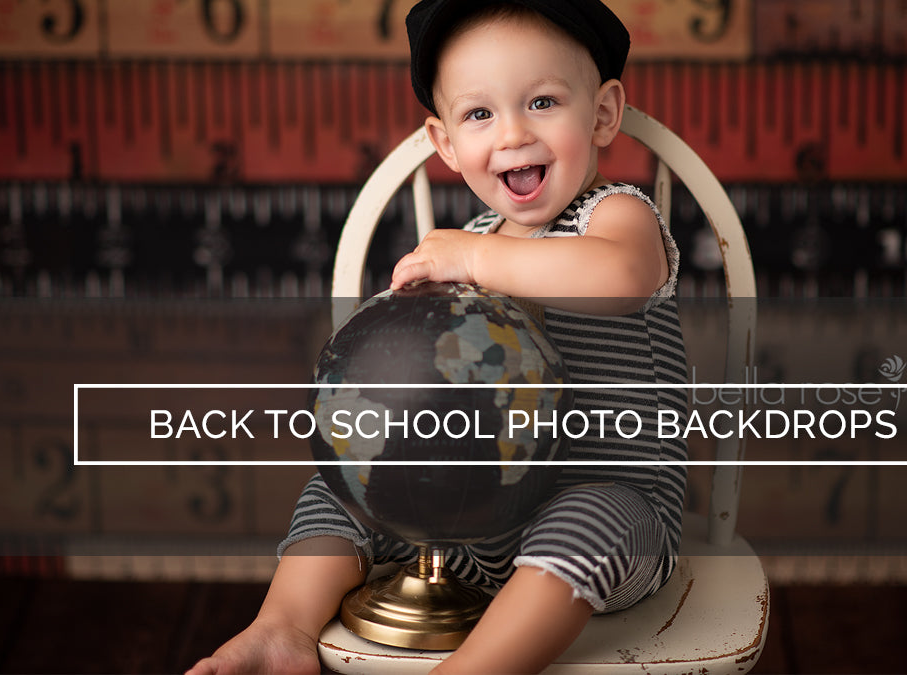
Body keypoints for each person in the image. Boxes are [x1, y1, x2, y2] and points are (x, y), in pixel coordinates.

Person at [187, 1, 688, 673]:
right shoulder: (467, 246)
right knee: (338, 490)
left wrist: (470, 262)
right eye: (479, 114)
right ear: (446, 141)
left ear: (601, 114)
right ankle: (282, 626)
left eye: (542, 101)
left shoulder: (617, 218)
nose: (512, 133)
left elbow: (620, 276)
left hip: (612, 508)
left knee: (584, 524)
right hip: (465, 512)